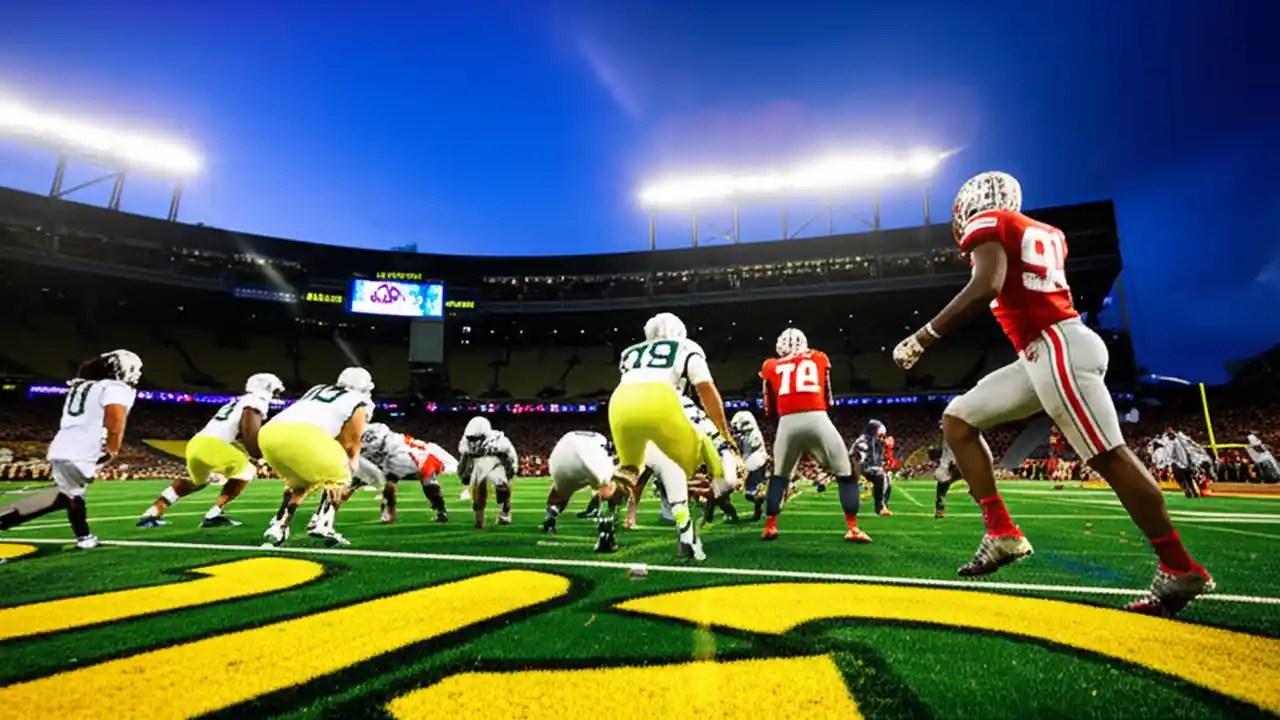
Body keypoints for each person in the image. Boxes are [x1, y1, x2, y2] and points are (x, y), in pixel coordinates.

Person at [892, 170, 1212, 616]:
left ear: (970, 205)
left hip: (1056, 345)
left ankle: (1179, 567)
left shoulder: (991, 223)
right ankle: (1001, 531)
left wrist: (924, 336)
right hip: (1043, 352)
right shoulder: (1047, 233)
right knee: (958, 419)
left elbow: (988, 283)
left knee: (1109, 457)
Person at [607, 312, 733, 560]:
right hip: (662, 404)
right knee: (722, 466)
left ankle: (607, 518)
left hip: (619, 406)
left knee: (638, 469)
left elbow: (634, 386)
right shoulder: (686, 347)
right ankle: (702, 493)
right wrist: (725, 435)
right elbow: (706, 388)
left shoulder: (630, 353)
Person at [0, 350, 142, 549]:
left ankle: (84, 539)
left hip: (62, 445)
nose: (138, 373)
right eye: (136, 368)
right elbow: (116, 418)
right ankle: (5, 518)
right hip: (83, 448)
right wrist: (113, 449)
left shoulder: (81, 385)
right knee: (66, 496)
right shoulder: (116, 387)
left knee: (69, 495)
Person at [760, 327, 868, 542]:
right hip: (817, 417)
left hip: (787, 422)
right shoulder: (819, 357)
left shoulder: (770, 365)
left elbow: (768, 405)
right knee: (845, 472)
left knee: (780, 476)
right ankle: (853, 528)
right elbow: (828, 396)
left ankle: (770, 526)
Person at [137, 373, 284, 528]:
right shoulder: (256, 401)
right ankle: (214, 514)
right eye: (274, 392)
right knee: (248, 470)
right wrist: (260, 452)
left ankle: (153, 511)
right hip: (213, 445)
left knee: (198, 481)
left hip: (197, 443)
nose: (275, 396)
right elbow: (250, 434)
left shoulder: (238, 400)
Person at [259, 367, 375, 547]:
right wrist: (351, 465)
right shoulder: (358, 400)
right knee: (342, 473)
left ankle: (279, 526)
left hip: (269, 433)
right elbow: (351, 442)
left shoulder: (318, 389)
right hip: (306, 435)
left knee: (300, 482)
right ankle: (323, 523)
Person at [541, 430, 616, 537]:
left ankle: (551, 514)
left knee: (560, 491)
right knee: (607, 486)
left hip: (561, 452)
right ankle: (605, 530)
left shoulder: (598, 438)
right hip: (592, 452)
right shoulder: (604, 445)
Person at [457, 416, 519, 528]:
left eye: (476, 438)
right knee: (478, 494)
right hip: (478, 467)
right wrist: (463, 474)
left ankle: (504, 514)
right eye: (471, 438)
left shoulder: (500, 442)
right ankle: (479, 521)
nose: (473, 441)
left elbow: (511, 456)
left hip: (497, 465)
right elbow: (464, 459)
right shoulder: (465, 443)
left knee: (503, 491)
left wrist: (512, 469)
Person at [730, 410, 770, 521]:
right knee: (755, 489)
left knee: (751, 493)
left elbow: (746, 453)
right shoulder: (754, 433)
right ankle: (759, 509)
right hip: (760, 461)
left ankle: (769, 497)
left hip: (754, 463)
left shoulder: (749, 437)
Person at [852, 419, 893, 516]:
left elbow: (880, 459)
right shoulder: (863, 441)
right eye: (880, 435)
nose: (882, 438)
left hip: (869, 468)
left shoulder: (876, 442)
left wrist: (887, 448)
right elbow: (857, 460)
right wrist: (859, 477)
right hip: (858, 469)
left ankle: (882, 506)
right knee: (881, 476)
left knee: (886, 479)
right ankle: (879, 506)